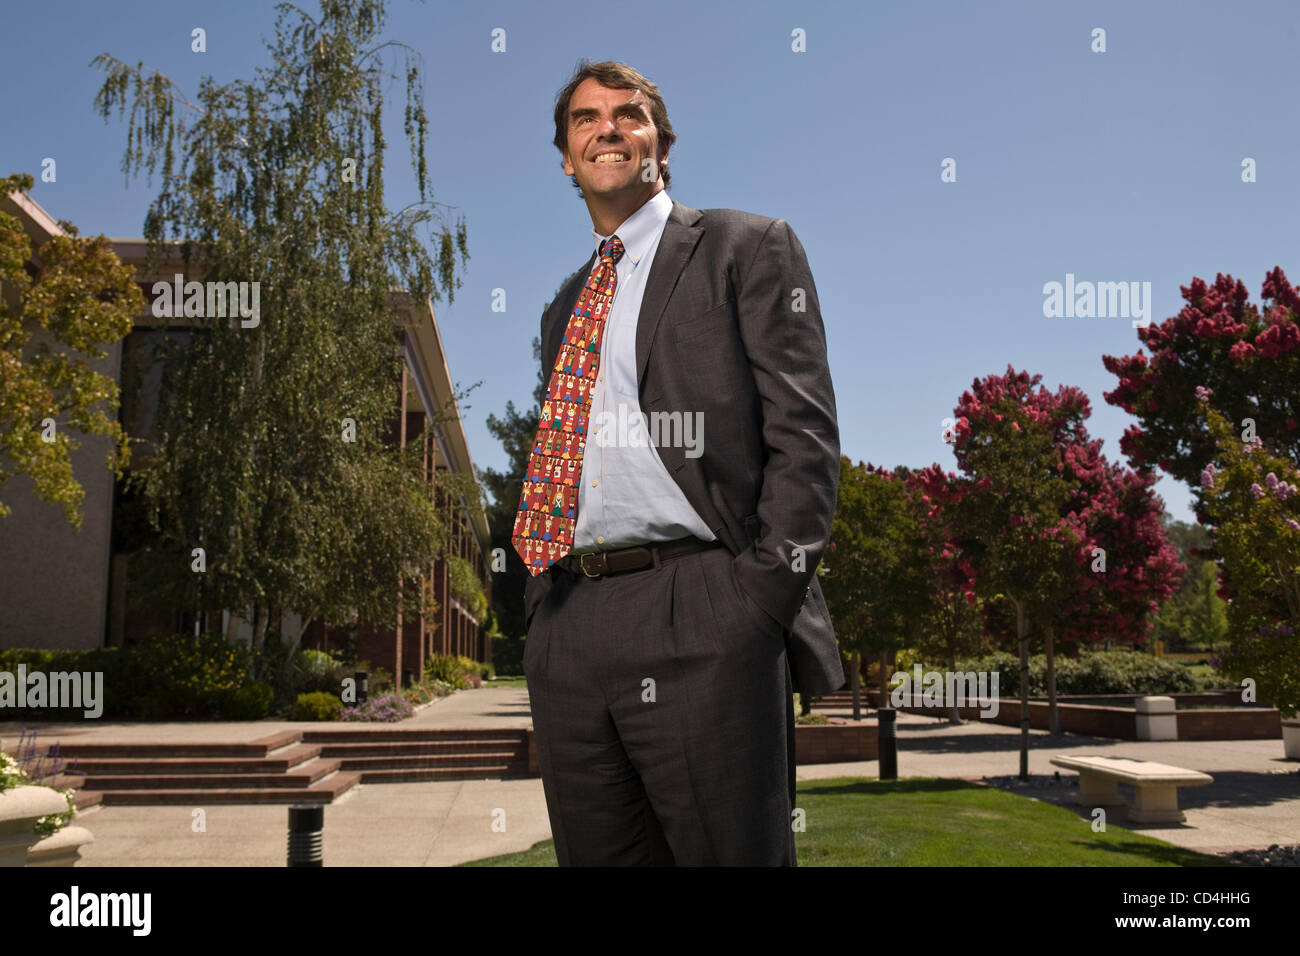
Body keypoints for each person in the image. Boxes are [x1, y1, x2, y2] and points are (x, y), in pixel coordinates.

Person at [517, 60, 842, 866]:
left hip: (703, 603)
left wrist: (756, 600)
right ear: (566, 156)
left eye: (629, 114)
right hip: (570, 621)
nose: (609, 128)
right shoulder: (565, 304)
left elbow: (804, 440)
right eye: (587, 118)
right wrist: (539, 616)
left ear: (661, 141)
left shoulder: (745, 246)